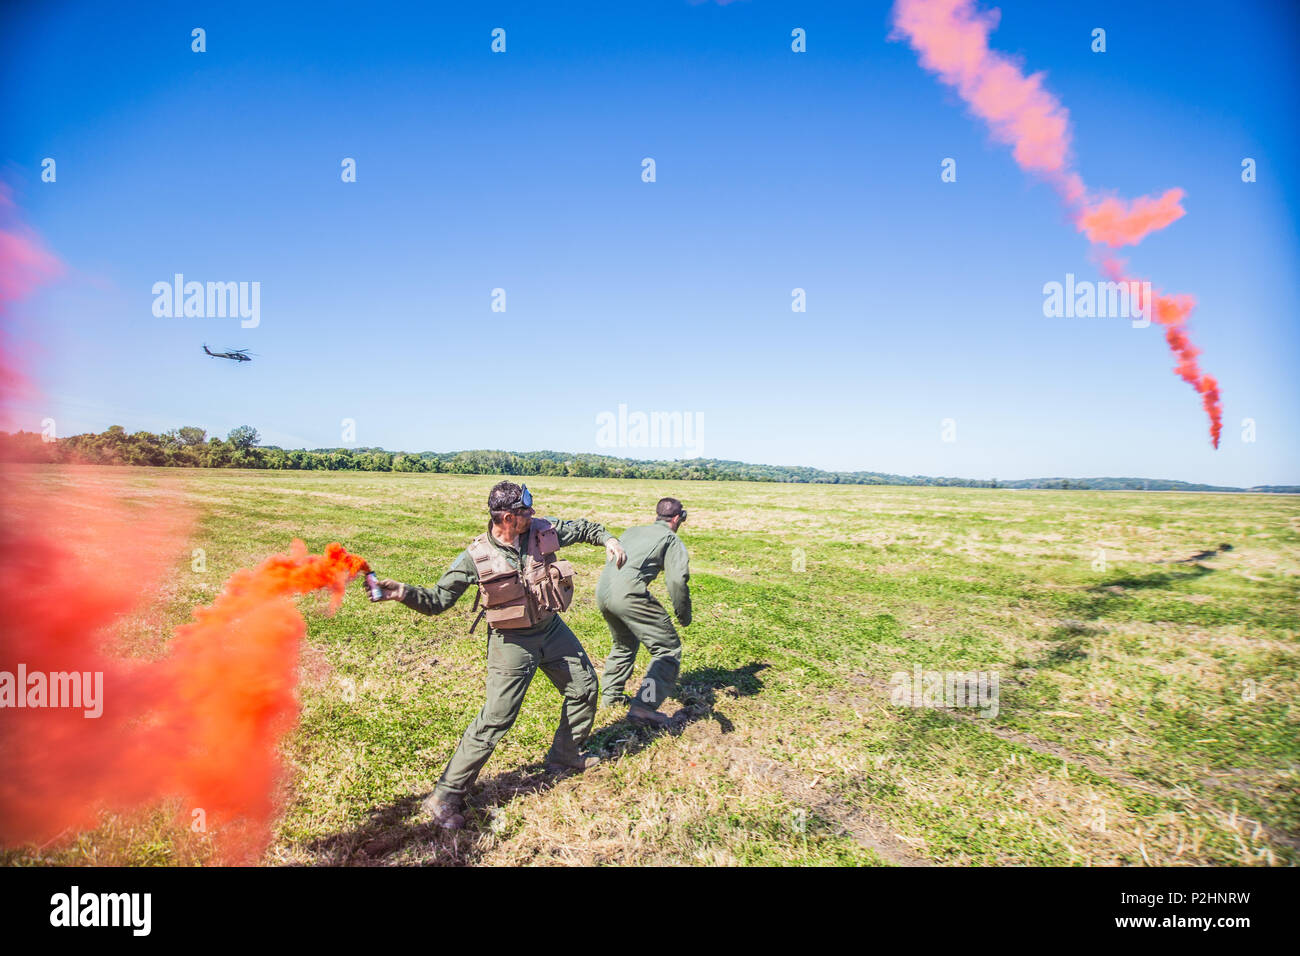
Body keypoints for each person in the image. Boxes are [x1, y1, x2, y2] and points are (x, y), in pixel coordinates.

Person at [367, 480, 627, 829]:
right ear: (507, 517)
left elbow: (584, 528)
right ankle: (444, 796)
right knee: (495, 719)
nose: (533, 514)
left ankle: (565, 757)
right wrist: (402, 592)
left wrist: (609, 539)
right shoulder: (474, 558)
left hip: (551, 629)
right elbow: (437, 601)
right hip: (511, 641)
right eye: (524, 511)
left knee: (584, 687)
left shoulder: (540, 531)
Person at [596, 496, 691, 727]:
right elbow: (678, 581)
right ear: (678, 518)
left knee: (624, 644)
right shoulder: (670, 538)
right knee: (667, 650)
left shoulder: (633, 530)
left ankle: (611, 697)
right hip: (628, 595)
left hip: (603, 591)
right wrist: (683, 614)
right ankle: (644, 707)